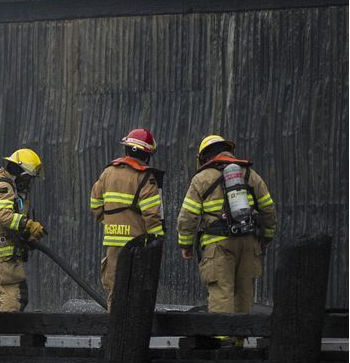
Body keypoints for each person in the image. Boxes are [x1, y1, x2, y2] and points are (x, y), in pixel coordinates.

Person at [178, 135, 277, 317]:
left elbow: (187, 216)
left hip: (218, 245)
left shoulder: (201, 178)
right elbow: (268, 210)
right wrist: (267, 237)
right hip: (248, 242)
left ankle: (223, 335)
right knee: (244, 295)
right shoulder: (250, 175)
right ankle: (241, 334)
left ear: (204, 157)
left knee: (221, 295)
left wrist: (186, 245)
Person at [89, 128, 165, 310]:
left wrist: (110, 222)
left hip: (112, 242)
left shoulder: (108, 172)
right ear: (147, 154)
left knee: (115, 290)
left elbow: (95, 203)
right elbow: (152, 214)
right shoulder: (145, 177)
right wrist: (156, 240)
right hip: (136, 243)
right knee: (136, 290)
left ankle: (114, 327)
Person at [0, 148, 46, 312]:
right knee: (14, 295)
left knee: (5, 294)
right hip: (3, 252)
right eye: (28, 178)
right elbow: (1, 215)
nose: (29, 183)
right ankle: (7, 328)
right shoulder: (4, 187)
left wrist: (27, 236)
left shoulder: (10, 187)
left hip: (5, 253)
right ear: (20, 172)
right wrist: (27, 224)